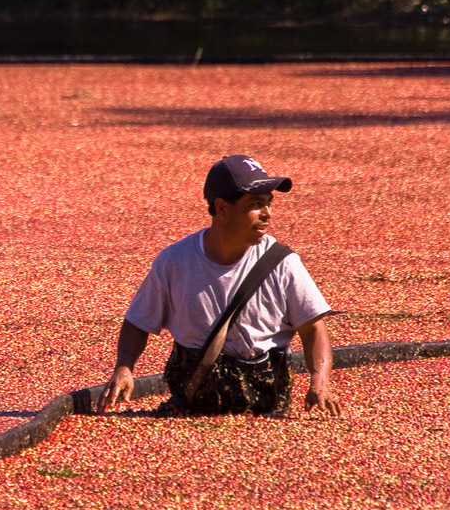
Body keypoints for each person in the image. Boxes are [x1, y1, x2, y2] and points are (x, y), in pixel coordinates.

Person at [98, 154, 343, 417]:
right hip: (190, 407)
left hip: (266, 407)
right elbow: (138, 322)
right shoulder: (176, 260)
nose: (267, 214)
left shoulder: (283, 263)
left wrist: (320, 382)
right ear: (222, 207)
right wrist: (124, 368)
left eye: (269, 204)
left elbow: (313, 329)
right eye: (256, 204)